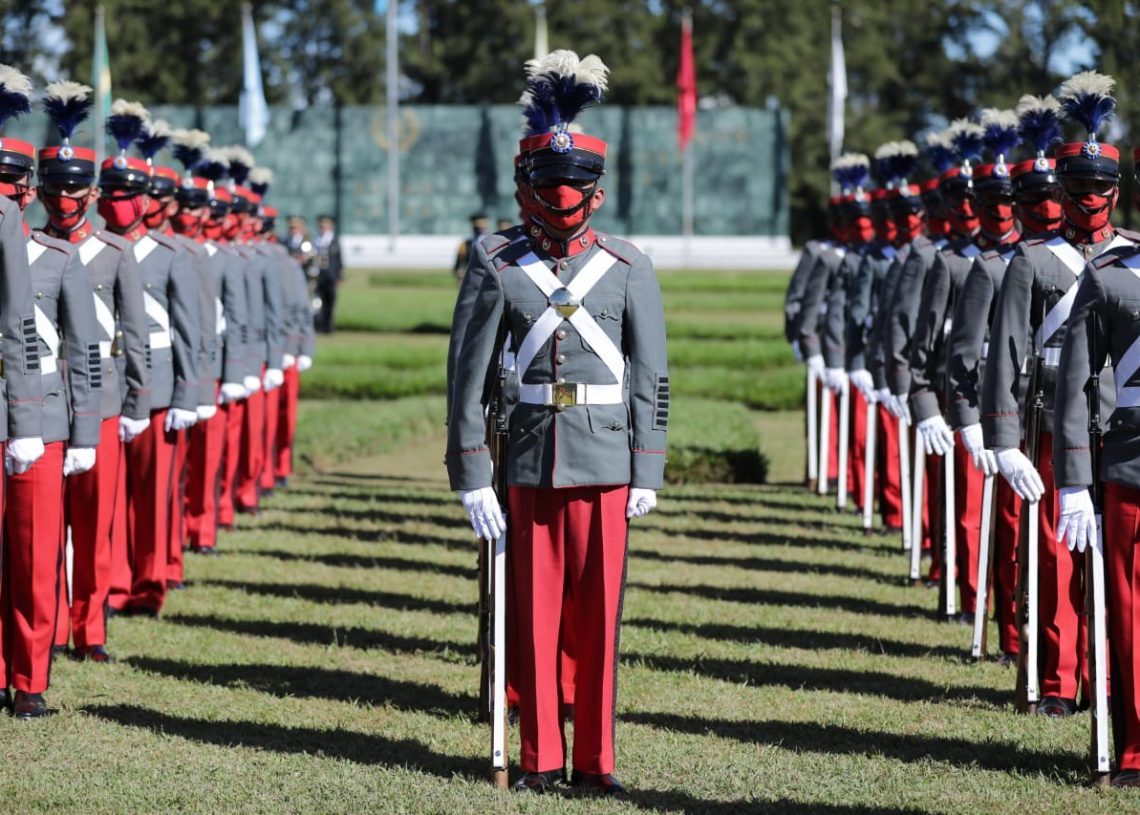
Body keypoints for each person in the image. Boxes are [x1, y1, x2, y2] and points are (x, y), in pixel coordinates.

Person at [447, 50, 667, 795]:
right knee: (532, 615)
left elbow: (654, 376)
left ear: (595, 194)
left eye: (575, 185)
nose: (562, 196)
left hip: (608, 460)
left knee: (598, 619)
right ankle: (540, 753)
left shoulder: (629, 265)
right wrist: (472, 470)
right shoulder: (496, 262)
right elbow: (466, 379)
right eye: (550, 184)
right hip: (530, 460)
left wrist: (651, 462)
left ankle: (597, 759)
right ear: (525, 186)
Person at [982, 71, 1133, 717]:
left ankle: (1110, 678)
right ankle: (1056, 676)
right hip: (1051, 421)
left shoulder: (1130, 258)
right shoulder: (1031, 260)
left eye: (1099, 188)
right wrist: (1002, 436)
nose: (1089, 199)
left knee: (1115, 567)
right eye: (1079, 189)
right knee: (1052, 552)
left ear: (1116, 191)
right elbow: (1006, 351)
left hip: (1119, 424)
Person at [100, 99, 200, 618]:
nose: (119, 202)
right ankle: (112, 587)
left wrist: (189, 393)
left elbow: (188, 329)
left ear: (145, 200)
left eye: (128, 193)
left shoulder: (169, 254)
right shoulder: (90, 251)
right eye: (111, 193)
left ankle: (149, 582)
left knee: (154, 492)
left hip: (158, 387)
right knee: (110, 498)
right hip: (103, 388)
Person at [314, 214, 342, 333]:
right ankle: (320, 325)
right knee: (318, 301)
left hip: (330, 275)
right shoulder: (317, 240)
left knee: (330, 301)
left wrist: (339, 275)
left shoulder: (333, 240)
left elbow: (339, 259)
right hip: (319, 274)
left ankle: (328, 326)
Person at [453, 212, 490, 281]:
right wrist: (460, 271)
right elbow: (458, 264)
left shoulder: (494, 241)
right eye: (477, 227)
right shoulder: (466, 244)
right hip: (471, 278)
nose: (480, 229)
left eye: (482, 226)